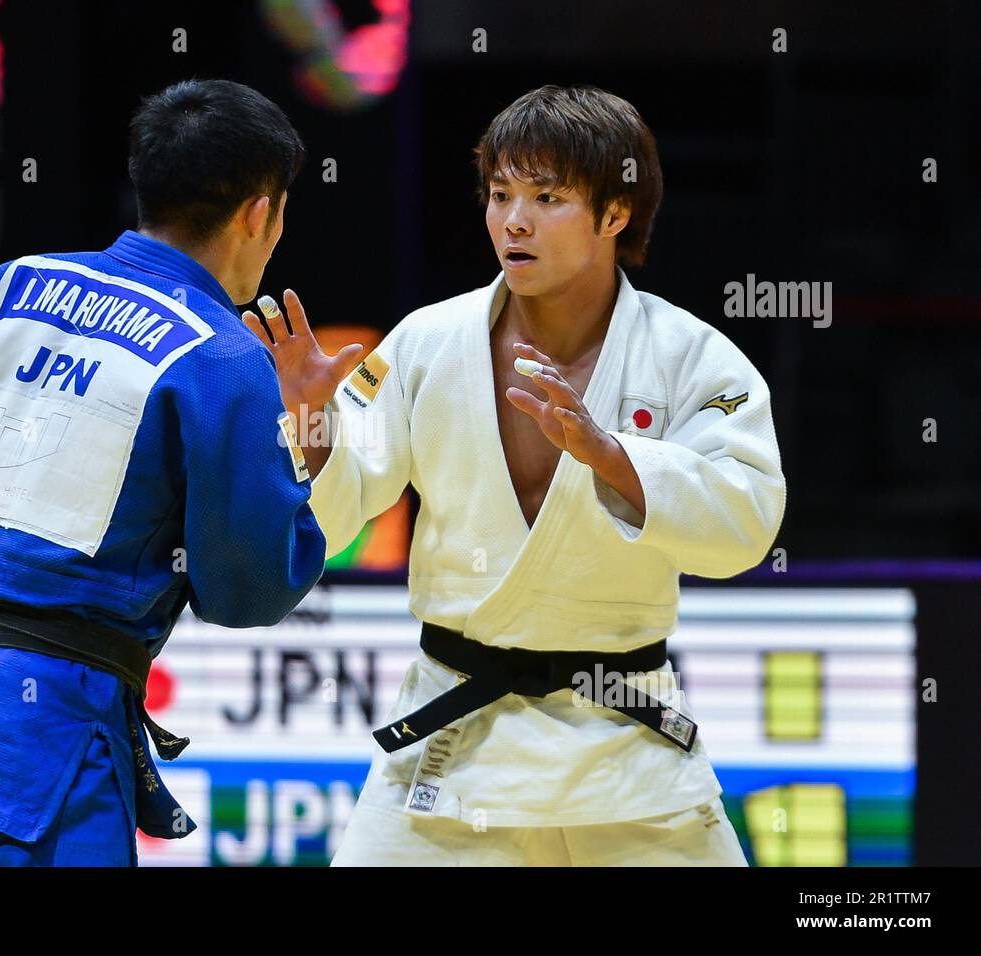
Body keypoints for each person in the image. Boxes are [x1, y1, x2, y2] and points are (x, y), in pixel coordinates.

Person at [244, 85, 786, 866]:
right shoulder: (427, 342)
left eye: (547, 197)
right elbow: (334, 517)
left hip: (626, 755)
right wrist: (313, 423)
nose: (514, 220)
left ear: (615, 214)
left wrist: (611, 454)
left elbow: (745, 528)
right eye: (500, 195)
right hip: (453, 745)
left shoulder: (690, 358)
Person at [0, 79, 336, 866]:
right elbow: (245, 590)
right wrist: (299, 458)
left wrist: (3, 530)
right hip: (53, 740)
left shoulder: (12, 286)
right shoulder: (222, 357)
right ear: (259, 211)